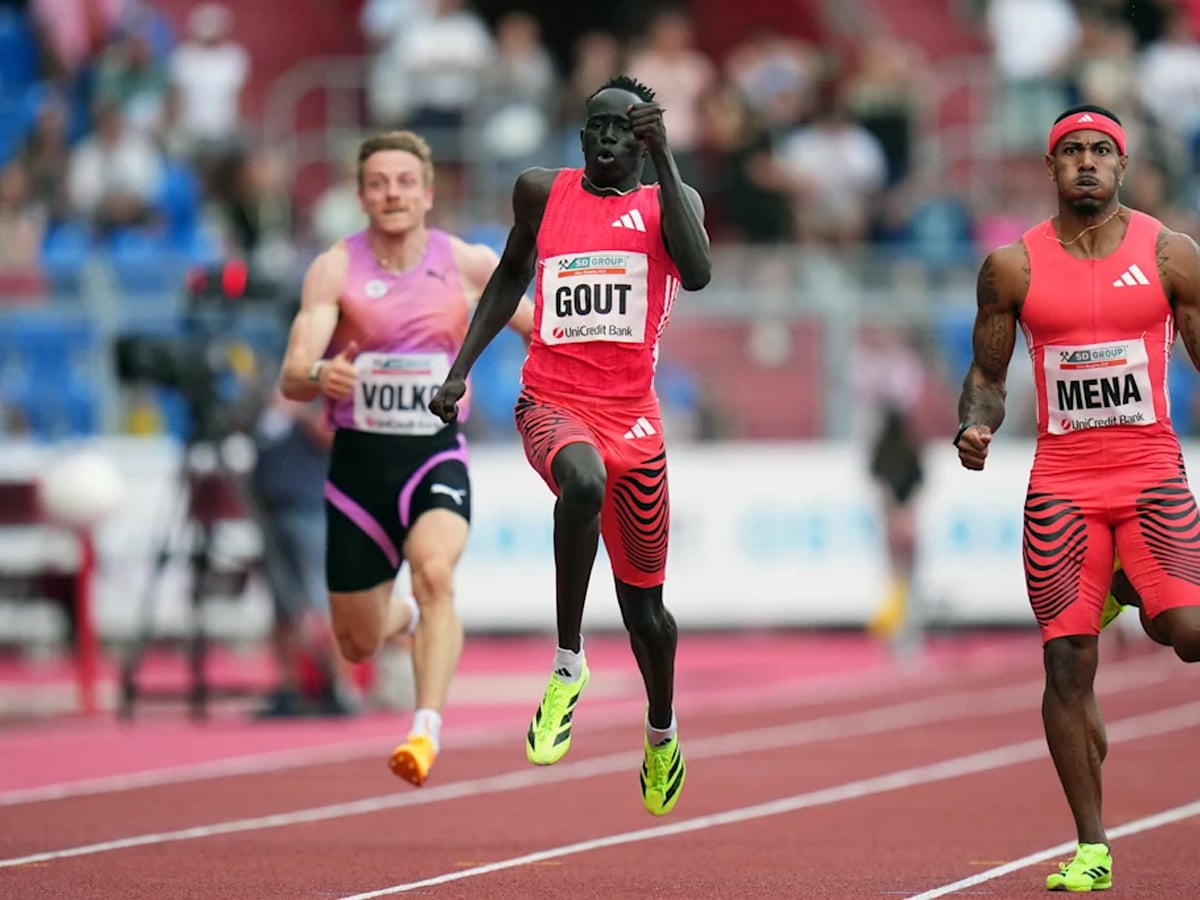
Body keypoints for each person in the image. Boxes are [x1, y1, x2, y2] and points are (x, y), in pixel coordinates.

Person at [428, 75, 712, 816]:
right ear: (581, 137)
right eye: (598, 128)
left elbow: (702, 272)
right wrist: (460, 371)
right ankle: (567, 663)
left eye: (626, 128)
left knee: (646, 612)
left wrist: (668, 158)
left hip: (635, 420)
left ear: (645, 140)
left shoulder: (666, 206)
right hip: (552, 400)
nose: (609, 138)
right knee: (580, 483)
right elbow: (506, 278)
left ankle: (661, 733)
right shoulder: (539, 193)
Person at [954, 103, 1200, 892]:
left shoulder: (1172, 255)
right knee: (1067, 664)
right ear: (1051, 168)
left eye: (1101, 150)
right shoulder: (1011, 268)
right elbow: (988, 377)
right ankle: (1092, 846)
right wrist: (974, 424)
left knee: (1190, 632)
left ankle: (1128, 586)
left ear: (1121, 166)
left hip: (1151, 472)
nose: (1087, 162)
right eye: (1071, 152)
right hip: (1061, 486)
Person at [278, 130, 533, 786]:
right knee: (357, 639)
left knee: (437, 572)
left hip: (433, 456)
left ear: (427, 193)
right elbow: (291, 376)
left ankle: (425, 730)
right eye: (378, 183)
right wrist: (319, 371)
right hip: (358, 471)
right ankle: (411, 619)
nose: (392, 193)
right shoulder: (335, 267)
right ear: (361, 195)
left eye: (404, 182)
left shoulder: (468, 264)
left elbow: (545, 330)